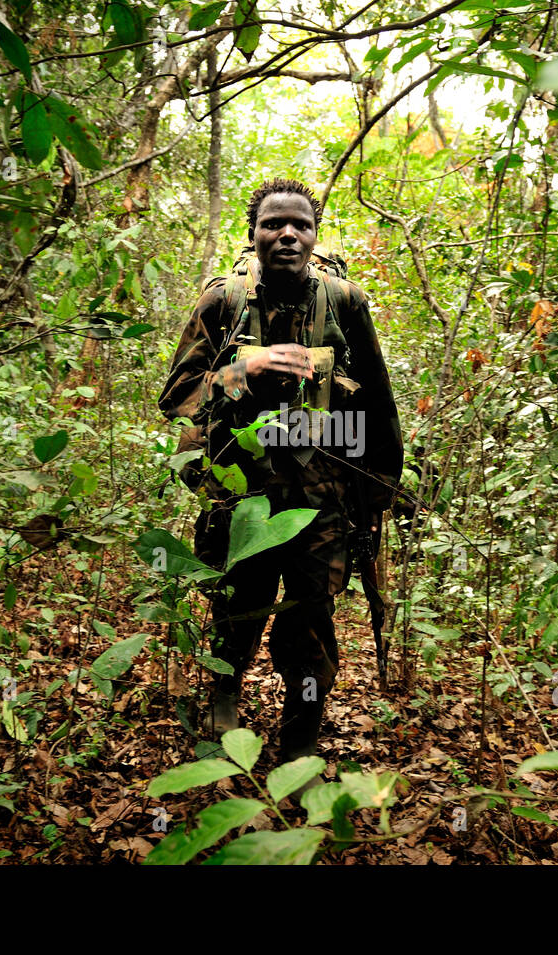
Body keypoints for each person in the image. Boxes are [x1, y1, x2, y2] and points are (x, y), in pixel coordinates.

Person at [158, 178, 403, 770]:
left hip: (322, 496)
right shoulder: (222, 302)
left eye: (301, 225)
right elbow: (178, 394)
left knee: (311, 621)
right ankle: (223, 701)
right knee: (236, 609)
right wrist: (245, 369)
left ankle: (301, 731)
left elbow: (377, 404)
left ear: (315, 236)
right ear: (254, 233)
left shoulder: (345, 302)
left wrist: (378, 496)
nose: (287, 234)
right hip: (239, 491)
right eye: (274, 224)